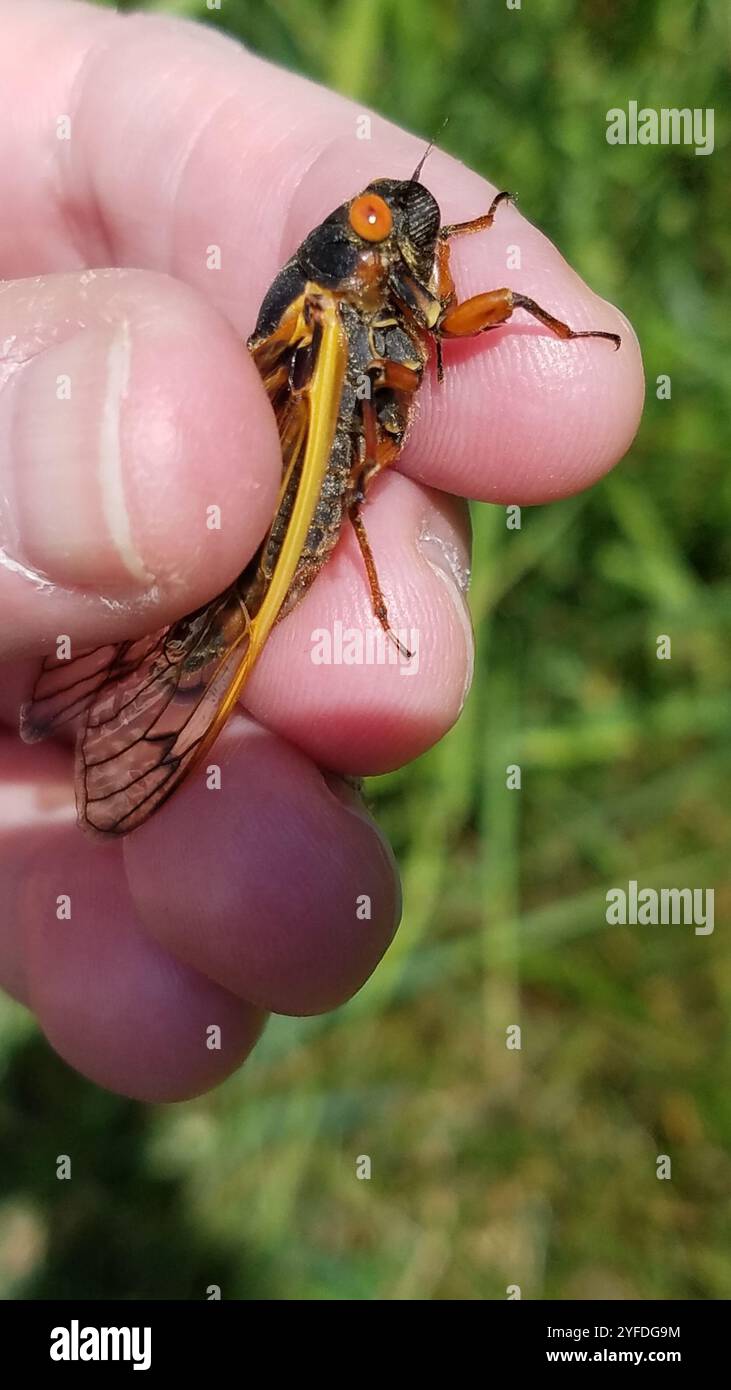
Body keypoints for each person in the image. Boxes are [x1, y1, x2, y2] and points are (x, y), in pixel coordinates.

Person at [0, 1, 643, 1100]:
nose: (420, 250)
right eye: (395, 238)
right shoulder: (330, 322)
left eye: (427, 239)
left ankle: (122, 677)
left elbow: (439, 324)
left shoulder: (395, 291)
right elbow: (349, 462)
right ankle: (138, 671)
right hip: (269, 509)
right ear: (356, 262)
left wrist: (468, 249)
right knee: (311, 530)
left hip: (293, 491)